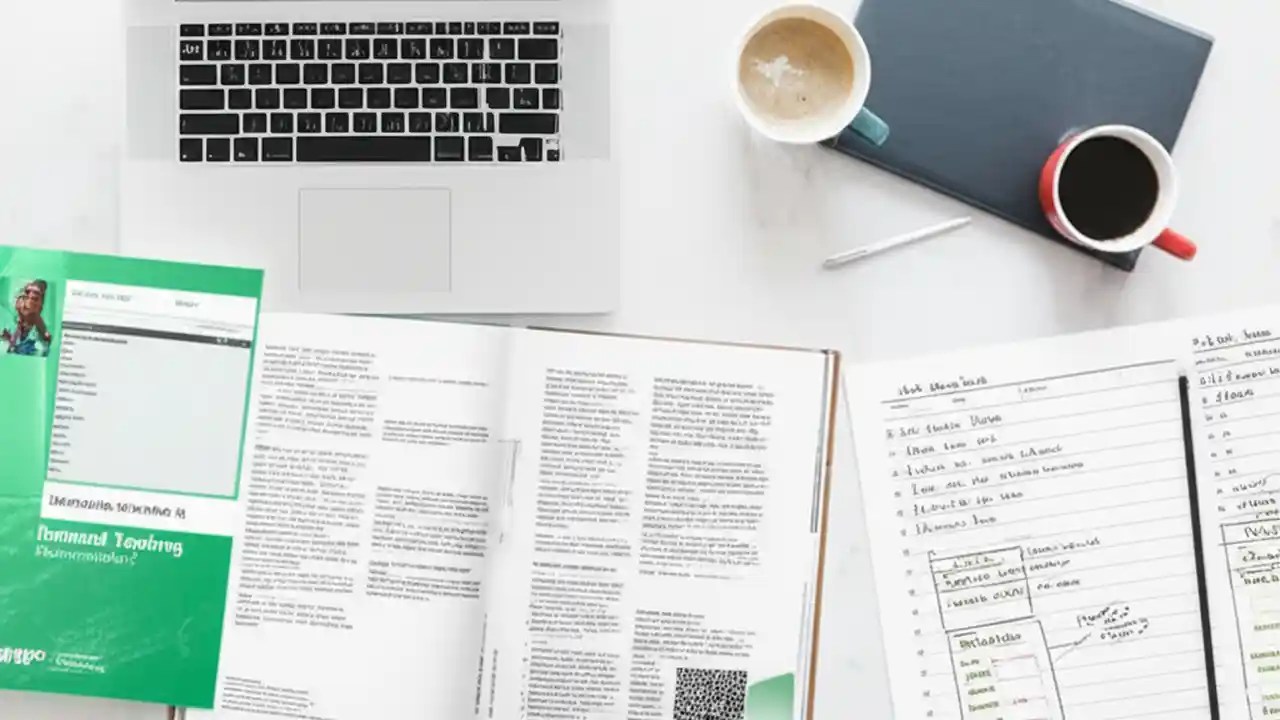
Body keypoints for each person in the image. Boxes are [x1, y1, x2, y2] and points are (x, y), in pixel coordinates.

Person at [2, 280, 52, 357]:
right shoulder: (10, 320)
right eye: (25, 296)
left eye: (34, 298)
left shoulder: (39, 340)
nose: (28, 300)